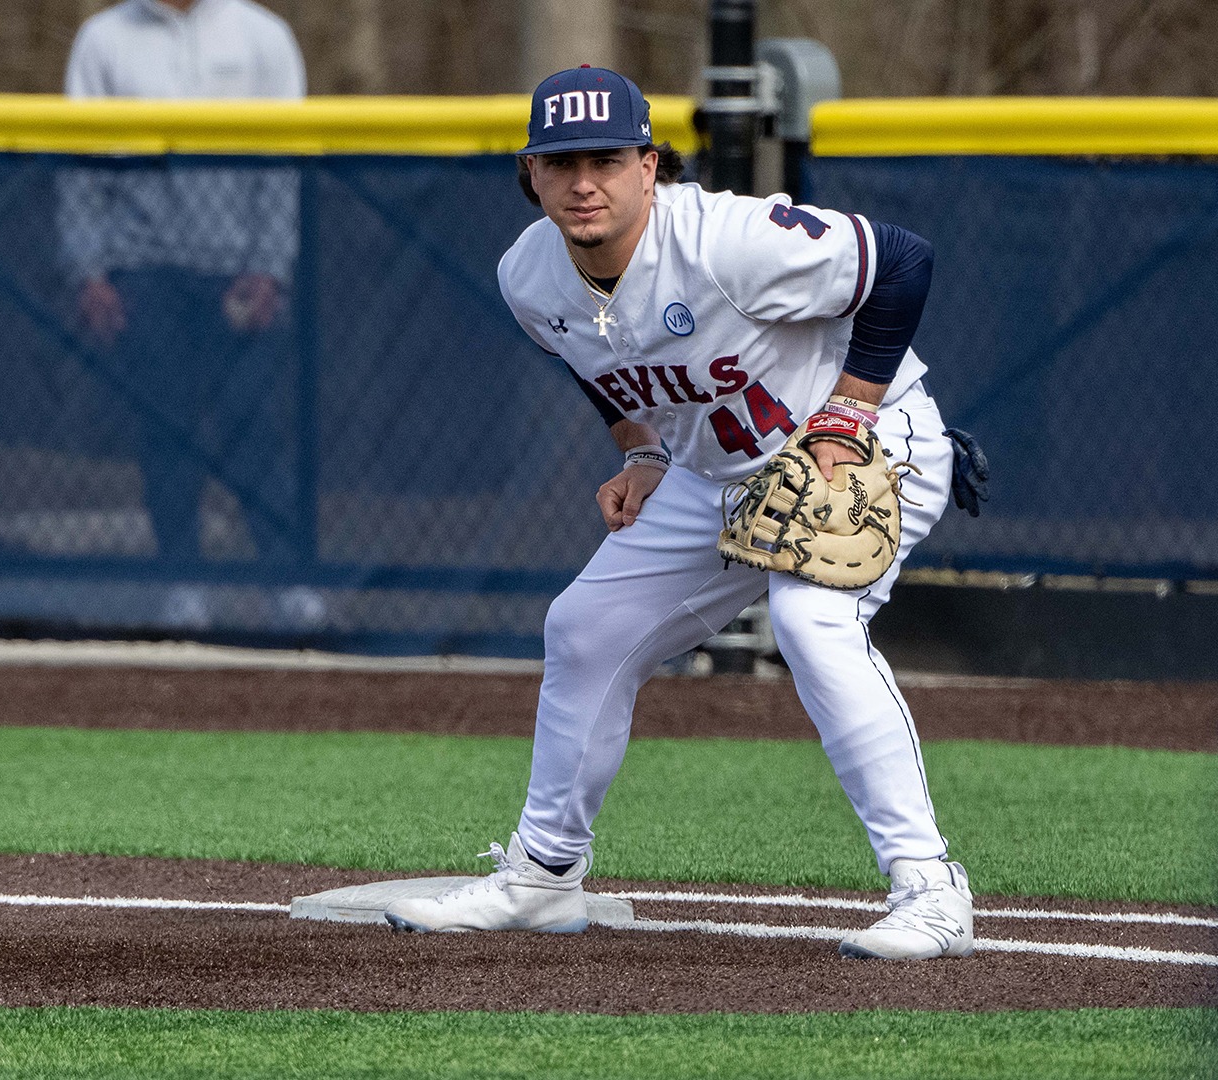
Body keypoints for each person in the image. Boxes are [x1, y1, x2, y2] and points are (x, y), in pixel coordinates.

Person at [383, 66, 976, 960]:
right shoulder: (529, 275)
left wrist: (848, 413)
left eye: (608, 159)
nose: (585, 181)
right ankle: (545, 877)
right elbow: (599, 363)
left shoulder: (728, 240)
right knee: (585, 627)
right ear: (529, 175)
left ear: (649, 165)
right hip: (714, 469)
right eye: (561, 161)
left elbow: (902, 259)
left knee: (812, 619)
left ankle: (931, 889)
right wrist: (644, 450)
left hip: (862, 440)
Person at [58, 0, 305, 569]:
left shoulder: (264, 36)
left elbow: (284, 164)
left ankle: (289, 582)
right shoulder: (102, 39)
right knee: (164, 427)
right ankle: (181, 581)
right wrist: (89, 270)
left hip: (240, 269)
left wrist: (271, 266)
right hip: (144, 266)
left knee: (256, 426)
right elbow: (79, 167)